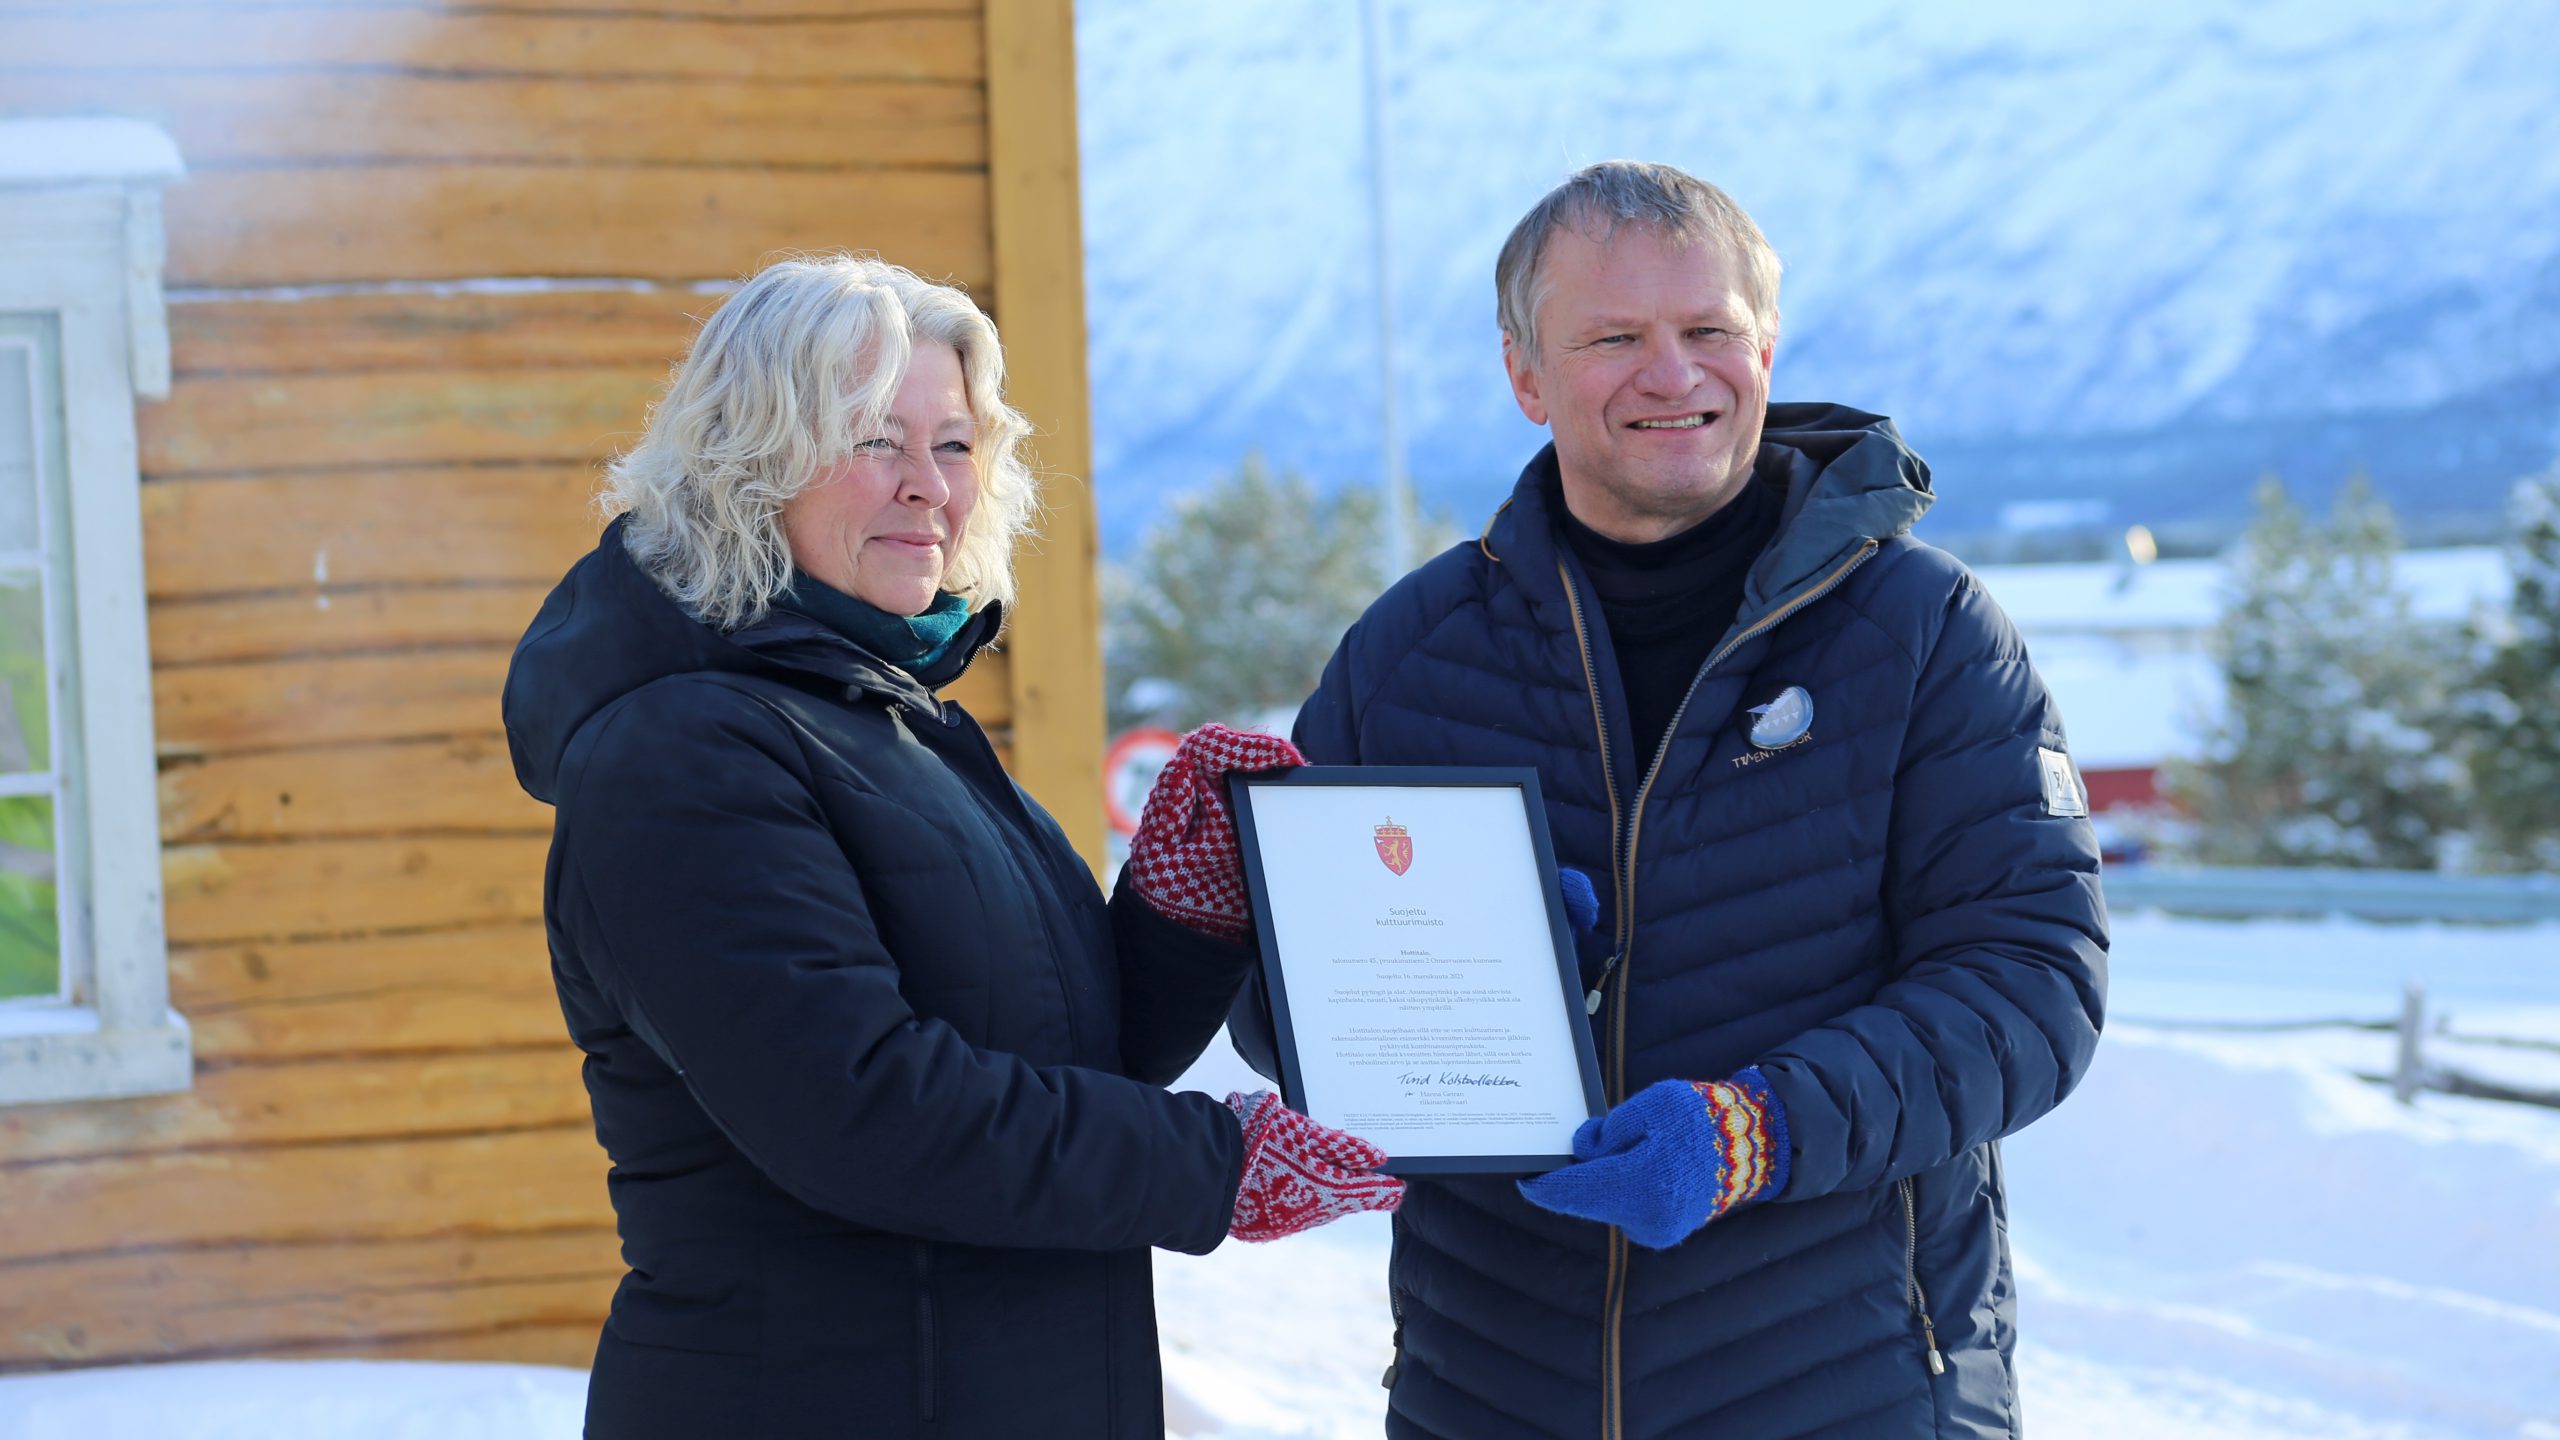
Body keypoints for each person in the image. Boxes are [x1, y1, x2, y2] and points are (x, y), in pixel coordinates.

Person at [1231, 162, 2109, 1438]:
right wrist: (1458, 964)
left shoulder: (1923, 634)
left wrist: (1758, 1130)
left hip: (1844, 1389)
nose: (1672, 374)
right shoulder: (1411, 653)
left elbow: (2031, 987)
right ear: (1525, 375)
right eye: (1613, 338)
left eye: (1707, 331)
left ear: (1764, 345)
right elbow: (1287, 998)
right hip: (1490, 1388)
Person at [500, 254, 1400, 1440]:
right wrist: (1205, 1161)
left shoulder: (887, 715)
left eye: (956, 445)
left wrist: (1181, 918)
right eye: (875, 439)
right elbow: (864, 1111)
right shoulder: (681, 754)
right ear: (746, 462)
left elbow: (1068, 1057)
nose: (927, 487)